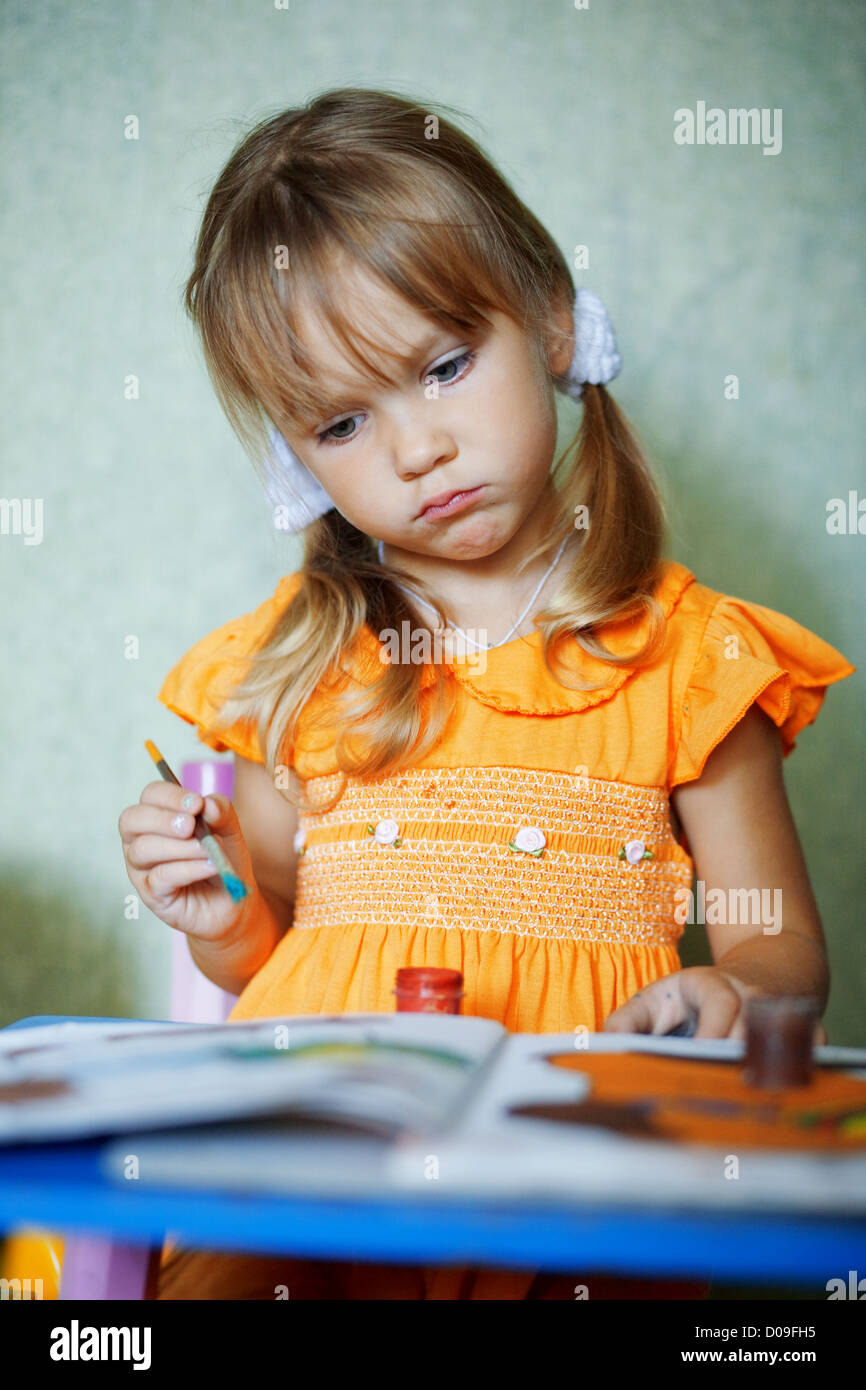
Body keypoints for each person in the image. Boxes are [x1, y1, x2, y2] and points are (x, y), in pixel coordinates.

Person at [118, 87, 856, 1299]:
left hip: (579, 1179)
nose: (416, 449)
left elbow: (779, 952)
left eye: (445, 365)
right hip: (316, 1182)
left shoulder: (691, 659)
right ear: (294, 466)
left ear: (553, 325)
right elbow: (274, 951)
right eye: (344, 421)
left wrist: (732, 990)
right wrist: (218, 911)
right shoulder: (292, 669)